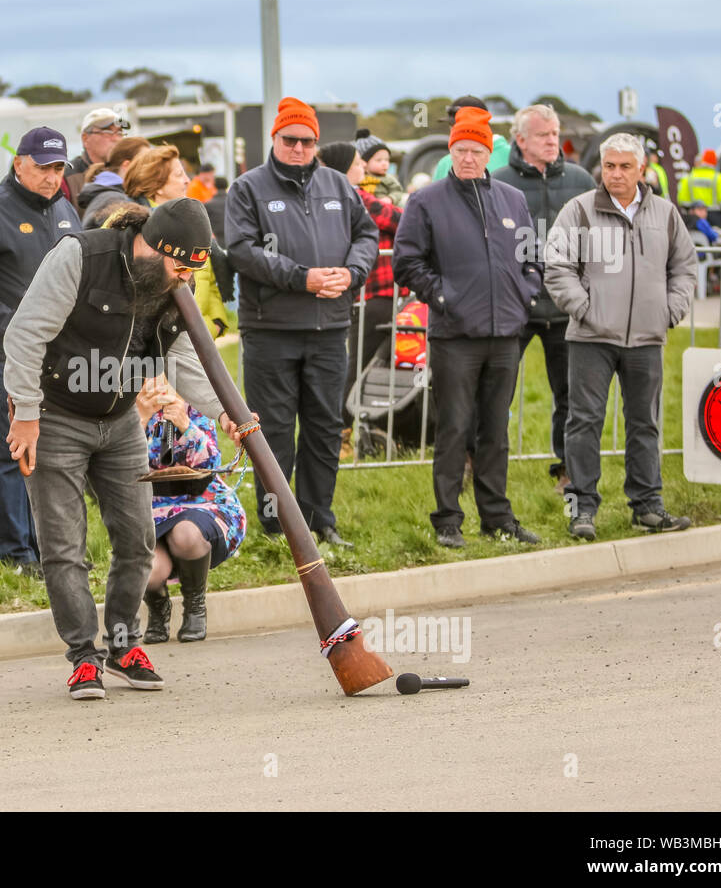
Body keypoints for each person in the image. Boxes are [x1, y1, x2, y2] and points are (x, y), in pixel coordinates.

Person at [3, 199, 249, 699]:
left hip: (119, 423)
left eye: (192, 272)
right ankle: (83, 657)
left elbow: (183, 356)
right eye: (180, 267)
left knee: (137, 539)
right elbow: (25, 334)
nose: (184, 280)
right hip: (56, 417)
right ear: (153, 247)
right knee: (64, 546)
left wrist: (226, 410)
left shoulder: (171, 284)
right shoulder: (79, 256)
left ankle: (121, 645)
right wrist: (25, 416)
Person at [225, 97, 378, 547]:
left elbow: (367, 234)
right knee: (273, 431)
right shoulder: (248, 188)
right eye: (290, 140)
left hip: (329, 327)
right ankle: (277, 527)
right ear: (274, 139)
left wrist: (352, 273)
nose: (299, 148)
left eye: (307, 141)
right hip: (271, 329)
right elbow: (241, 250)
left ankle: (320, 520)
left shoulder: (337, 184)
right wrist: (302, 279)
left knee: (325, 426)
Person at [393, 106, 543, 549]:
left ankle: (497, 517)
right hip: (454, 337)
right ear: (451, 151)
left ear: (488, 152)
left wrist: (525, 294)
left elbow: (529, 256)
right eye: (460, 149)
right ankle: (447, 520)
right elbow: (407, 261)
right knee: (454, 428)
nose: (468, 158)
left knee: (495, 430)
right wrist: (443, 297)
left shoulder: (513, 200)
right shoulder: (426, 201)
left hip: (504, 337)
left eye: (476, 150)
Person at [544, 133, 697, 540]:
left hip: (646, 338)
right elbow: (557, 266)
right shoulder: (578, 211)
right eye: (609, 166)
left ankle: (648, 506)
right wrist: (585, 309)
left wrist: (671, 309)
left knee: (645, 423)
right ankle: (582, 511)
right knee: (583, 423)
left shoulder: (665, 214)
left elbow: (684, 266)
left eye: (625, 166)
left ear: (641, 170)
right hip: (591, 338)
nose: (615, 174)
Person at [0, 128, 81, 576]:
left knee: (52, 449)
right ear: (19, 162)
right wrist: (17, 329)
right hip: (6, 353)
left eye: (58, 168)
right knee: (12, 449)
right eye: (43, 167)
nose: (51, 177)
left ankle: (52, 546)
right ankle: (16, 552)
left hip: (60, 354)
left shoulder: (65, 208)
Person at [492, 103, 596, 493]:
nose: (553, 141)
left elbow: (597, 237)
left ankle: (568, 471)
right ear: (521, 140)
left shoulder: (581, 179)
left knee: (570, 396)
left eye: (555, 134)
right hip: (514, 307)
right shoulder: (499, 180)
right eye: (543, 135)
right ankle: (482, 467)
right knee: (495, 393)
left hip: (567, 309)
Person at [135, 378, 246, 644]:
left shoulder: (195, 406)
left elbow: (211, 463)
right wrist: (140, 420)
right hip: (153, 508)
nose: (155, 384)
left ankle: (195, 607)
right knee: (148, 569)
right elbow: (120, 467)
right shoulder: (128, 409)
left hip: (202, 501)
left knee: (186, 534)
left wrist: (185, 425)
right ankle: (158, 610)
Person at [318, 143, 404, 443]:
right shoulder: (354, 196)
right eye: (357, 164)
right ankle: (340, 432)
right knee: (358, 367)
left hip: (373, 296)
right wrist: (397, 202)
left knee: (369, 366)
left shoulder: (344, 195)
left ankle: (366, 428)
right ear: (342, 170)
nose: (363, 169)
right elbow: (398, 219)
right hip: (373, 296)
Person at [126, 145, 234, 338]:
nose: (187, 180)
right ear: (156, 185)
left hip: (197, 338)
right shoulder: (140, 231)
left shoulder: (189, 220)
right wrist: (200, 332)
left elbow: (207, 278)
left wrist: (216, 321)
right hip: (165, 349)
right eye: (178, 174)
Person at [76, 135, 150, 227]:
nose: (152, 168)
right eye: (146, 162)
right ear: (127, 165)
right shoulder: (113, 199)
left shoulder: (121, 195)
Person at [432, 95, 511, 181]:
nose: (453, 130)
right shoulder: (444, 163)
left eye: (460, 125)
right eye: (451, 125)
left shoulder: (512, 157)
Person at [65, 107, 130, 204]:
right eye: (108, 132)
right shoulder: (66, 176)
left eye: (120, 132)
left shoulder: (130, 172)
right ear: (85, 138)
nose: (116, 138)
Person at [676, 149, 721, 228]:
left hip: (695, 218)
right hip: (716, 217)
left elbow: (683, 202)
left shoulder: (688, 178)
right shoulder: (719, 178)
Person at [354, 129, 406, 205]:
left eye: (387, 160)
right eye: (379, 160)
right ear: (363, 162)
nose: (384, 164)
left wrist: (390, 198)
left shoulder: (388, 178)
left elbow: (397, 191)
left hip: (384, 209)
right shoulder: (358, 178)